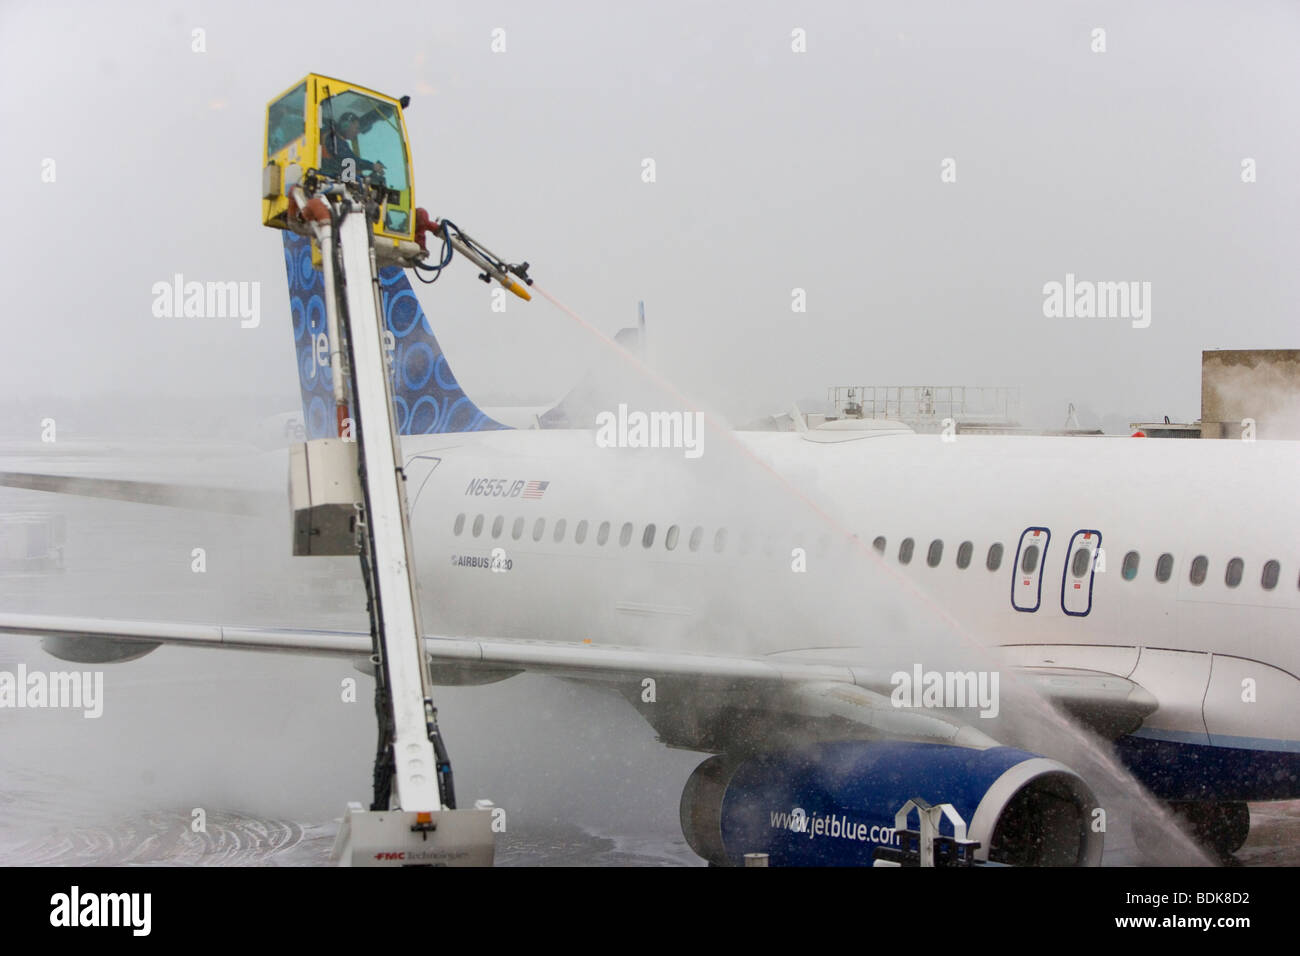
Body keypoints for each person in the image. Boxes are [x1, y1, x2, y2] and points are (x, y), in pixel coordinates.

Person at [321, 111, 386, 183]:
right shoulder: (333, 139)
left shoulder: (337, 139)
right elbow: (349, 160)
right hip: (327, 179)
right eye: (356, 128)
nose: (357, 132)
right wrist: (372, 166)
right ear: (345, 125)